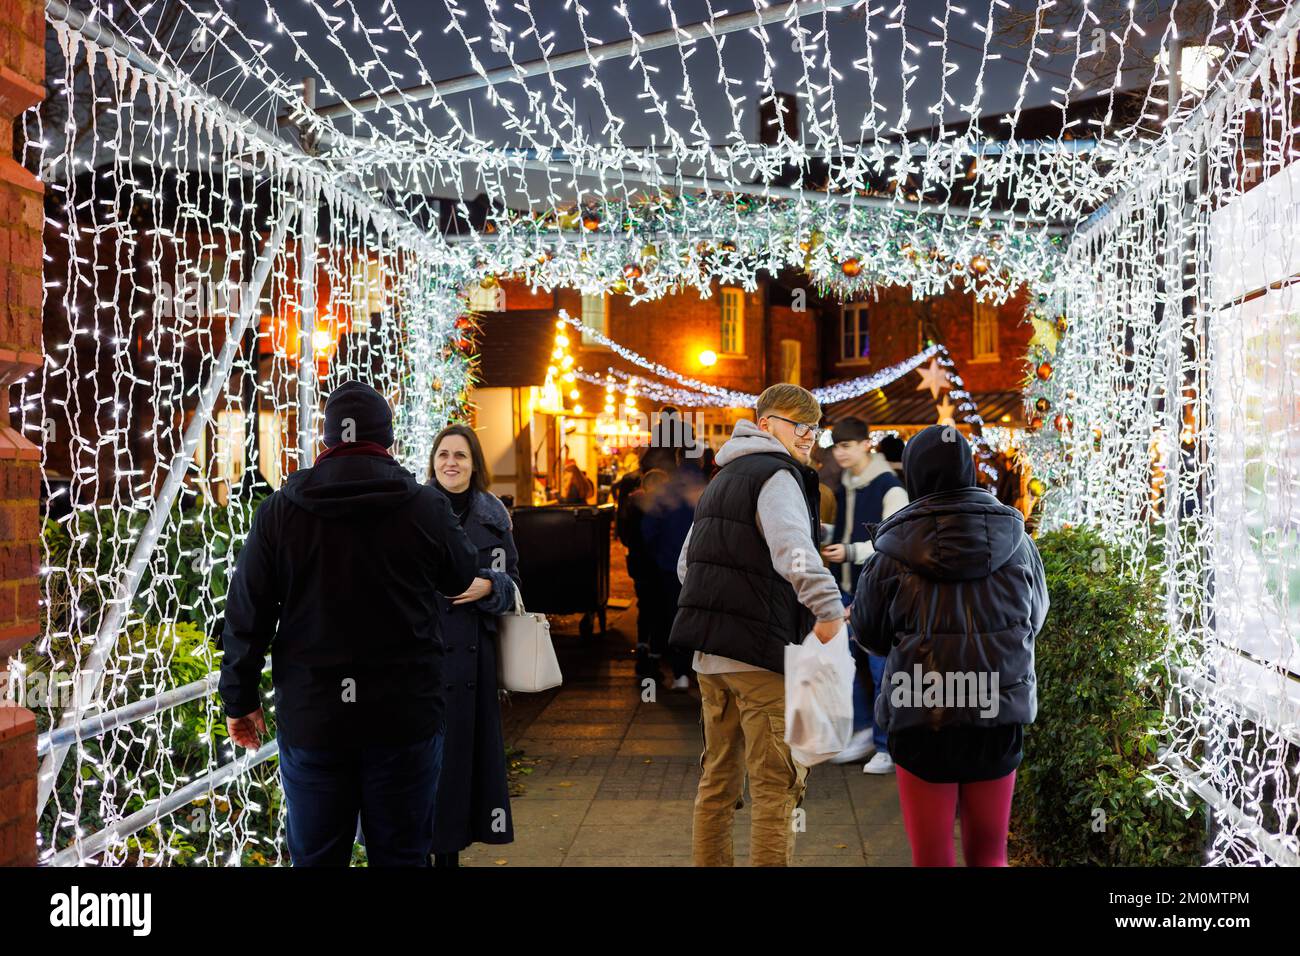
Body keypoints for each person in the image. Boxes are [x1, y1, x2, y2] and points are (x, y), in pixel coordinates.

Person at [220, 381, 478, 867]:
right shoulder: (424, 506)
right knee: (402, 855)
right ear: (390, 441)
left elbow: (247, 613)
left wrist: (240, 699)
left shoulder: (281, 510)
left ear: (325, 440)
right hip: (404, 713)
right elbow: (461, 575)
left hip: (315, 715)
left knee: (317, 857)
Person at [850, 424, 1048, 867]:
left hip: (921, 712)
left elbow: (869, 634)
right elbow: (1034, 619)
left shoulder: (891, 553)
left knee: (932, 856)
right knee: (991, 854)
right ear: (969, 470)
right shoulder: (1018, 545)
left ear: (914, 474)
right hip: (998, 713)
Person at [670, 383, 846, 867]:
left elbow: (687, 565)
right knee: (775, 790)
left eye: (815, 428)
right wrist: (828, 611)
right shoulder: (777, 476)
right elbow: (795, 553)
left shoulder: (722, 478)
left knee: (718, 784)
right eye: (800, 426)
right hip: (759, 660)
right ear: (766, 424)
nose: (809, 437)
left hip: (710, 660)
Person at [426, 424, 521, 867]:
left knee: (461, 769)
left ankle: (449, 854)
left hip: (474, 663)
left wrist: (491, 585)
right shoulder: (415, 510)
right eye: (443, 454)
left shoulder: (494, 515)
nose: (451, 462)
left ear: (474, 464)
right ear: (433, 461)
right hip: (423, 659)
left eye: (460, 455)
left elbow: (517, 584)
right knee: (427, 768)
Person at [820, 419, 908, 772]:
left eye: (847, 445)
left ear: (865, 445)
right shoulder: (846, 485)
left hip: (878, 593)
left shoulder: (890, 487)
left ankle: (887, 745)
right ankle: (862, 733)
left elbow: (894, 543)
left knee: (879, 666)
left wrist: (850, 551)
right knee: (849, 664)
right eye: (837, 446)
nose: (840, 452)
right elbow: (847, 529)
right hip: (844, 589)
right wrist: (827, 535)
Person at [641, 456, 704, 690]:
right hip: (700, 568)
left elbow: (648, 530)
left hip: (669, 568)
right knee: (699, 618)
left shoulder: (664, 493)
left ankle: (680, 674)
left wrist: (660, 555)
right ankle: (699, 671)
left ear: (677, 459)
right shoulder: (708, 490)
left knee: (674, 617)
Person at [618, 467, 669, 682]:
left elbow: (626, 536)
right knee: (658, 612)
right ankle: (653, 661)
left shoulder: (632, 506)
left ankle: (641, 655)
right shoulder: (661, 508)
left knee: (644, 609)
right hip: (657, 566)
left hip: (638, 565)